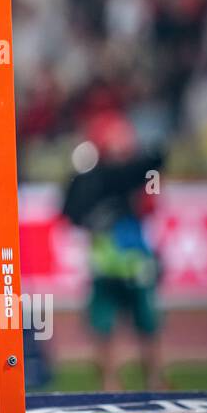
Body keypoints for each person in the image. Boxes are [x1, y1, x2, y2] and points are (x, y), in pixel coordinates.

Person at [61, 111, 165, 391]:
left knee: (145, 325)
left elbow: (152, 183)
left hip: (134, 263)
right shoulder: (93, 179)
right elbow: (71, 211)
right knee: (105, 327)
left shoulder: (134, 174)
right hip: (107, 265)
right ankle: (113, 382)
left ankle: (153, 379)